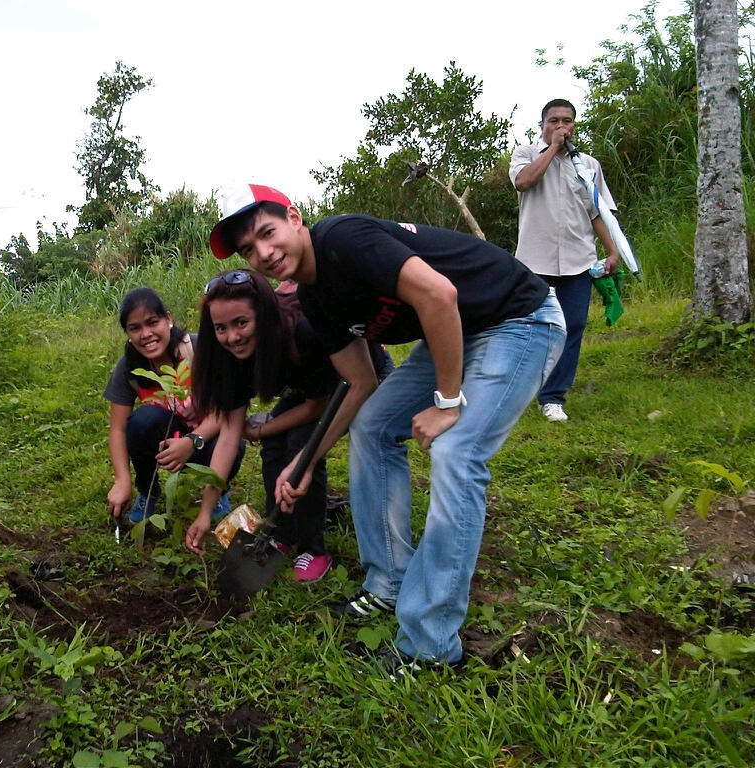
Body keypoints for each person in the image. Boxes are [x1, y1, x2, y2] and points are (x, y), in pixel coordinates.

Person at [207, 183, 566, 675]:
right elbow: (359, 383)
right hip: (459, 328)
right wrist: (305, 461)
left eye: (267, 233)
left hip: (518, 319)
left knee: (457, 452)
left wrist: (446, 401)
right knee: (373, 426)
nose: (264, 253)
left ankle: (432, 643)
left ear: (294, 218)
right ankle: (389, 582)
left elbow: (440, 293)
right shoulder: (315, 299)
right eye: (250, 249)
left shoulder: (344, 239)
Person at [184, 269, 340, 582]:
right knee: (274, 448)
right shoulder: (230, 356)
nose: (232, 336)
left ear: (264, 314)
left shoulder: (300, 331)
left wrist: (262, 429)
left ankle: (314, 548)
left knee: (300, 449)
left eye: (241, 323)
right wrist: (205, 512)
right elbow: (229, 434)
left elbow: (316, 406)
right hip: (302, 391)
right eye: (221, 328)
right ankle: (281, 532)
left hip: (345, 384)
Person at [509, 98, 620, 423]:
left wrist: (611, 252)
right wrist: (552, 150)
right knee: (530, 327)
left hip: (578, 259)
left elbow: (597, 211)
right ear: (541, 126)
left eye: (567, 121)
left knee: (573, 326)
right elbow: (524, 182)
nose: (561, 127)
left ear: (575, 125)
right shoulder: (526, 155)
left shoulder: (588, 165)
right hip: (534, 260)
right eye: (554, 121)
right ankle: (517, 390)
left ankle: (553, 398)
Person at [103, 287, 242, 524]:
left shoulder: (198, 349)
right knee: (141, 421)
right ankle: (148, 492)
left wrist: (191, 442)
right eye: (134, 328)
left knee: (234, 441)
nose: (145, 334)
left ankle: (218, 490)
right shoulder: (130, 366)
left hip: (207, 439)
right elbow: (117, 430)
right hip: (167, 439)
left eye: (152, 322)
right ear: (127, 332)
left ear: (168, 319)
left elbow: (226, 411)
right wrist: (121, 480)